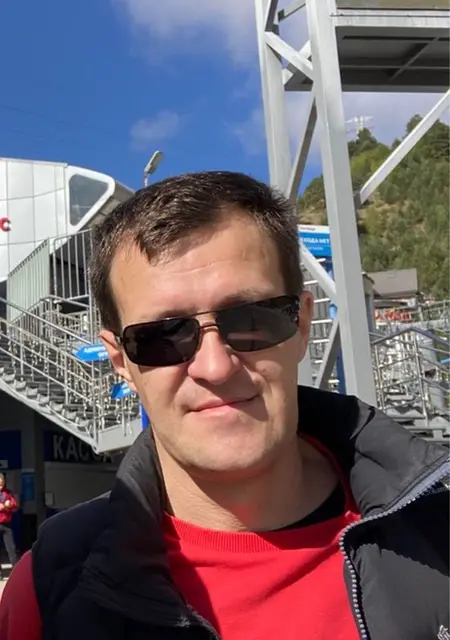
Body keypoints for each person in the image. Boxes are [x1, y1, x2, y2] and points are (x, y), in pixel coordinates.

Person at [0, 171, 448, 640]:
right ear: (121, 362)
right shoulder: (50, 588)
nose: (214, 366)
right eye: (163, 336)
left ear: (300, 326)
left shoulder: (437, 535)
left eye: (251, 319)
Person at [0, 473, 18, 575]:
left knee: (11, 548)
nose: (0, 486)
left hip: (7, 524)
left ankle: (15, 571)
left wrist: (10, 505)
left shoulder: (8, 493)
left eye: (2, 484)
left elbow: (15, 506)